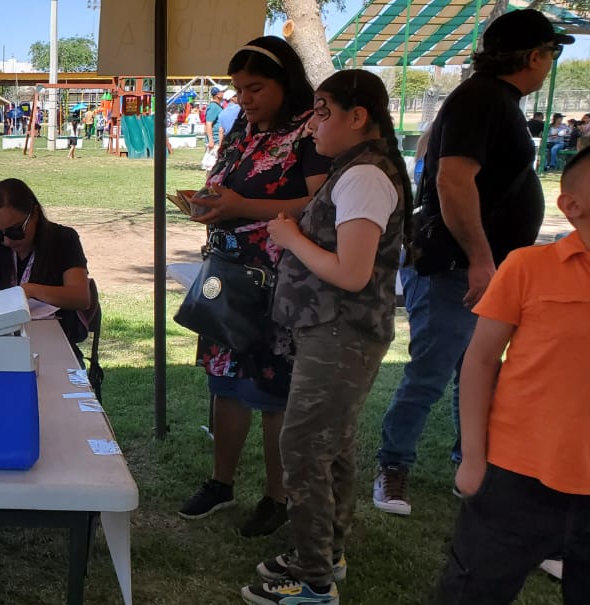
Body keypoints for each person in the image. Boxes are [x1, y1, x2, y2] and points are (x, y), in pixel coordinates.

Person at [372, 9, 564, 517]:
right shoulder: (482, 98)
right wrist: (481, 259)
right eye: (551, 53)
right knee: (433, 372)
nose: (551, 65)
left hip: (480, 267)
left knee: (476, 372)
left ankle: (472, 467)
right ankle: (392, 466)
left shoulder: (494, 100)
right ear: (533, 56)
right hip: (454, 267)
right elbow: (452, 181)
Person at [242, 69, 412, 605]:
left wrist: (290, 237)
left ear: (356, 117)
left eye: (321, 112)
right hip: (334, 332)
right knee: (331, 448)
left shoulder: (364, 176)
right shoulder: (357, 171)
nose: (312, 125)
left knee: (304, 448)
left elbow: (353, 272)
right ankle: (325, 556)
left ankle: (314, 583)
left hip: (342, 334)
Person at [179, 36, 332, 538]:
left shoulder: (311, 129)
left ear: (285, 82)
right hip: (228, 272)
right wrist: (208, 203)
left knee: (272, 389)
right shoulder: (243, 128)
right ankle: (221, 484)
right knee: (224, 382)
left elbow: (319, 206)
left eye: (255, 88)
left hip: (279, 281)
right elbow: (229, 187)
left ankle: (277, 496)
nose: (244, 98)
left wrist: (240, 206)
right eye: (238, 89)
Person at [434, 146, 590, 605]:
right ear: (572, 206)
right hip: (517, 474)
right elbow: (480, 360)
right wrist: (473, 458)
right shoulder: (528, 267)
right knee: (473, 589)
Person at [0, 178, 92, 358]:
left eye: (15, 231)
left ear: (35, 214)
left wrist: (30, 290)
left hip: (53, 340)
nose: (7, 241)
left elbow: (80, 297)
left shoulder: (63, 239)